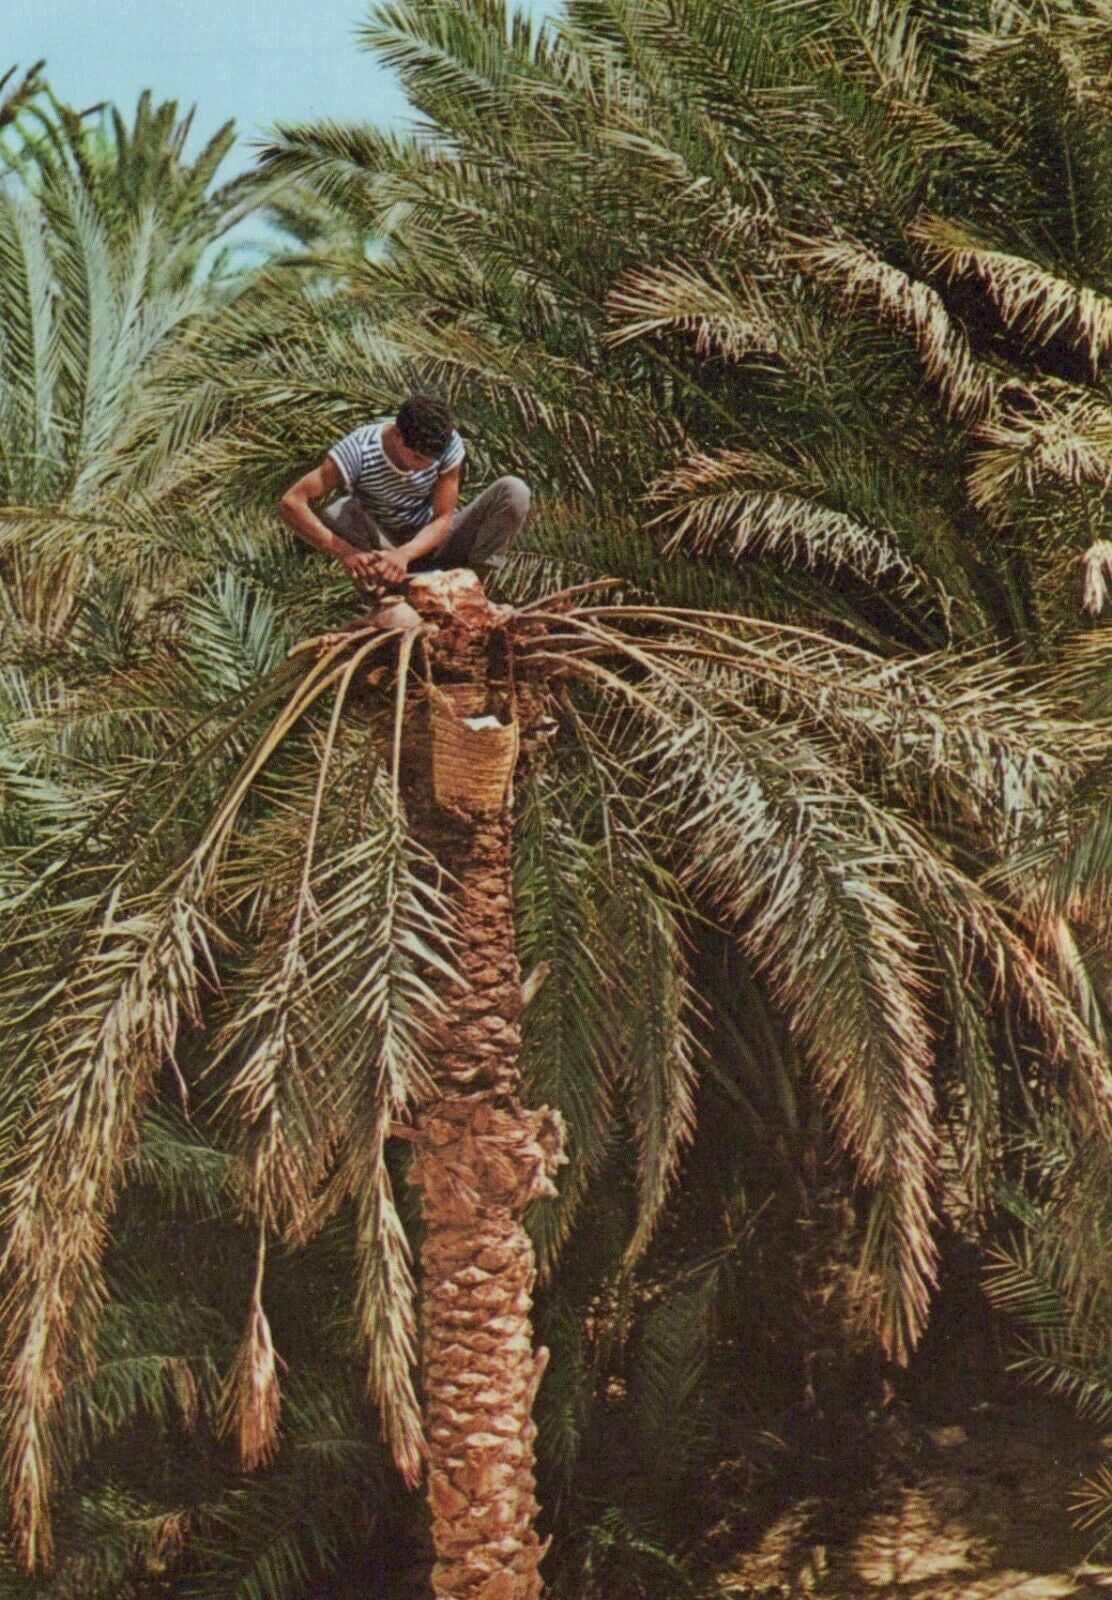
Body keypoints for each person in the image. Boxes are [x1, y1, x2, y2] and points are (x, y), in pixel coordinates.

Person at [277, 393, 531, 593]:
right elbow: (291, 502)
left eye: (432, 460)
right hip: (382, 549)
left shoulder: (449, 444)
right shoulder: (359, 450)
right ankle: (386, 597)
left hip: (431, 541)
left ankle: (473, 587)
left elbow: (444, 518)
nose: (425, 466)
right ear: (398, 435)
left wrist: (406, 554)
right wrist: (346, 553)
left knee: (513, 490)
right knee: (337, 511)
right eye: (418, 457)